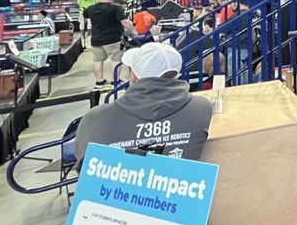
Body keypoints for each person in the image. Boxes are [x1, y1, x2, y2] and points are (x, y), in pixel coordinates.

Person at [73, 42, 212, 163]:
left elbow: (84, 166)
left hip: (117, 191)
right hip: (180, 189)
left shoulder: (95, 119)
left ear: (133, 77)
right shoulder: (202, 109)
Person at [85, 0, 134, 89]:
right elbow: (125, 22)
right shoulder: (115, 8)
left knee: (97, 60)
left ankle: (99, 82)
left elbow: (85, 15)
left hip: (96, 39)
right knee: (115, 59)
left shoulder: (90, 9)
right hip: (112, 39)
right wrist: (135, 31)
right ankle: (115, 81)